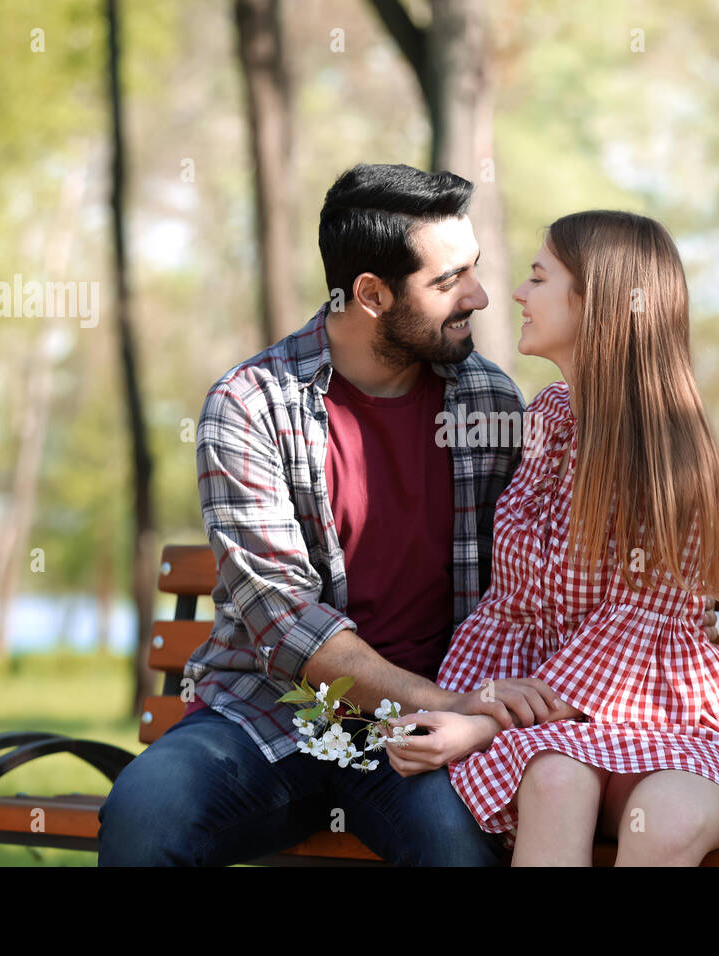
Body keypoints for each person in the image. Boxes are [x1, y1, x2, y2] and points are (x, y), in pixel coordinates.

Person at [98, 164, 665, 865]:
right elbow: (283, 623)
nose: (481, 297)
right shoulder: (250, 406)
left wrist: (476, 711)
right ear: (370, 293)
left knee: (459, 852)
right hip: (271, 718)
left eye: (475, 270)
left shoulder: (488, 404)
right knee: (147, 813)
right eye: (447, 281)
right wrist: (449, 702)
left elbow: (543, 581)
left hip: (423, 740)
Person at [383, 210, 719, 866]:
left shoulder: (669, 446)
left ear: (595, 302)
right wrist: (462, 702)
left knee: (665, 820)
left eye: (538, 278)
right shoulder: (546, 420)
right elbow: (508, 605)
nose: (516, 294)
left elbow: (633, 627)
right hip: (552, 729)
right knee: (557, 779)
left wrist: (478, 724)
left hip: (661, 716)